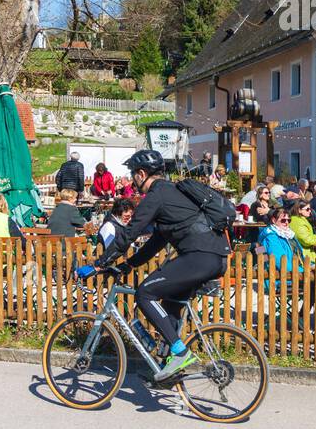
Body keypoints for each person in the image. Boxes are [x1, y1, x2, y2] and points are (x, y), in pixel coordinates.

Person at [78, 149, 230, 382]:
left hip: (199, 256)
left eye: (132, 174)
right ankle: (168, 368)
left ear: (141, 174)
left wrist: (99, 264)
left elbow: (129, 234)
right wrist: (128, 265)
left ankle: (180, 352)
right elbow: (156, 242)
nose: (131, 179)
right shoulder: (172, 193)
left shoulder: (156, 196)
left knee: (145, 292)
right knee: (170, 304)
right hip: (214, 256)